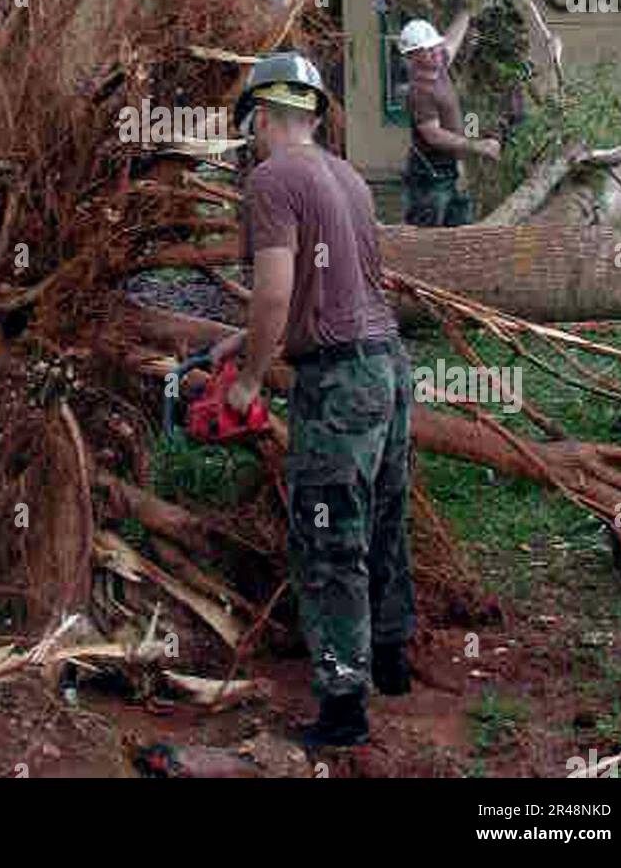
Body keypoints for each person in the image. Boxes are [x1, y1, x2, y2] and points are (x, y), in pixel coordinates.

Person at [212, 51, 415, 751]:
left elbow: (274, 291)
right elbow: (333, 287)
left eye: (252, 128)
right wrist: (234, 345)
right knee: (383, 519)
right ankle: (389, 661)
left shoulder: (271, 178)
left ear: (261, 118)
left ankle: (341, 711)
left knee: (330, 541)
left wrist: (246, 382)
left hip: (337, 381)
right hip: (387, 366)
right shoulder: (349, 177)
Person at [398, 0, 500, 227]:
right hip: (429, 178)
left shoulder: (438, 64)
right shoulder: (419, 90)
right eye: (428, 50)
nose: (436, 52)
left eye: (435, 46)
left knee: (458, 233)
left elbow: (452, 40)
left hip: (450, 170)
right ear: (412, 56)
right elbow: (433, 134)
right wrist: (477, 146)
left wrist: (466, 8)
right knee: (427, 238)